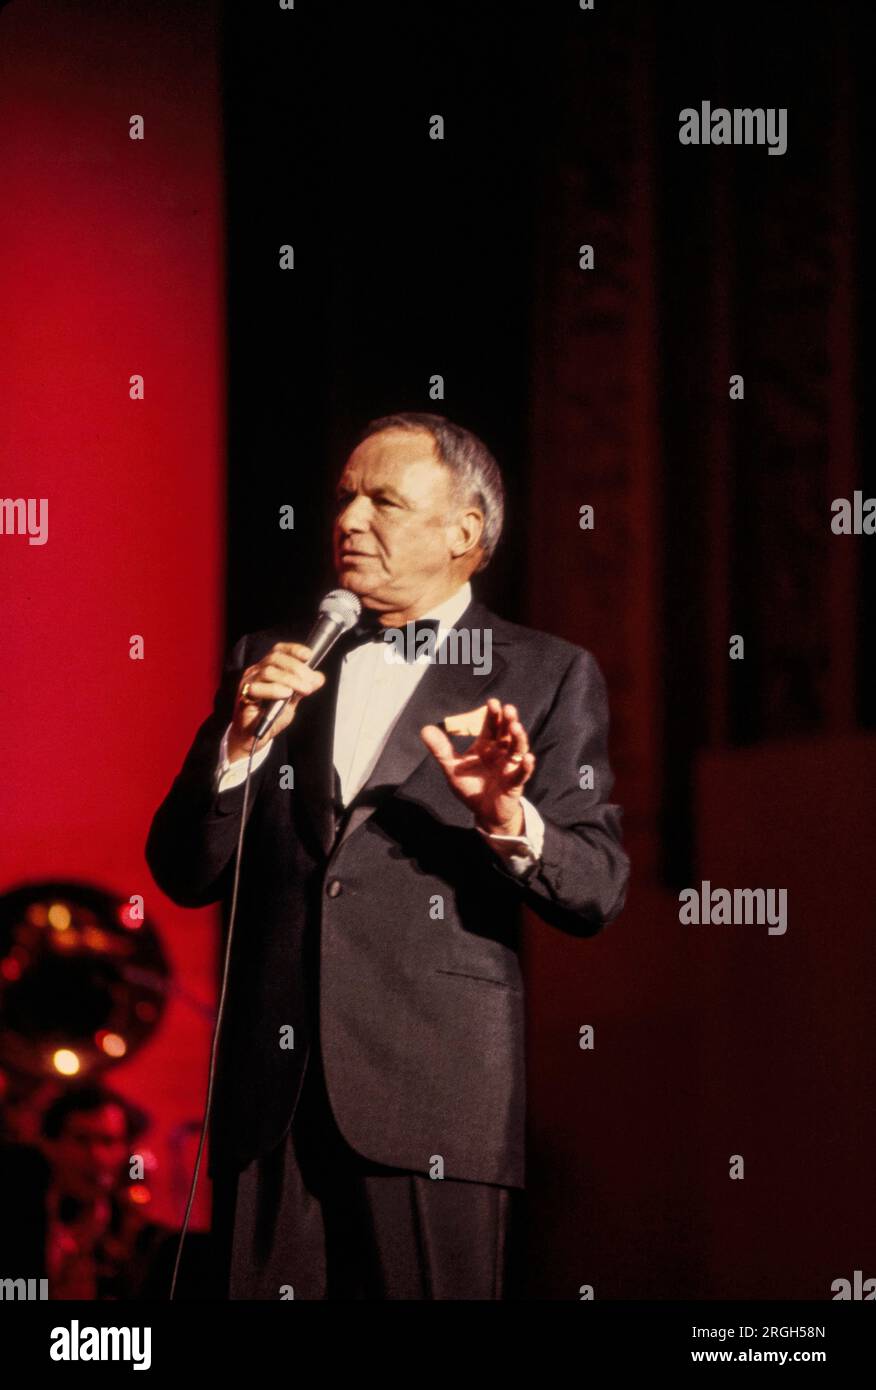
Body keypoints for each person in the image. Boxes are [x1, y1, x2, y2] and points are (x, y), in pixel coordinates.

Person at [145, 411, 629, 1299]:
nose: (349, 521)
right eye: (343, 498)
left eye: (384, 501)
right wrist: (236, 749)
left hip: (436, 1099)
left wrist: (504, 812)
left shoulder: (547, 673)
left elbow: (595, 887)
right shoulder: (271, 658)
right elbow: (183, 870)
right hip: (269, 1103)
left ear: (465, 532)